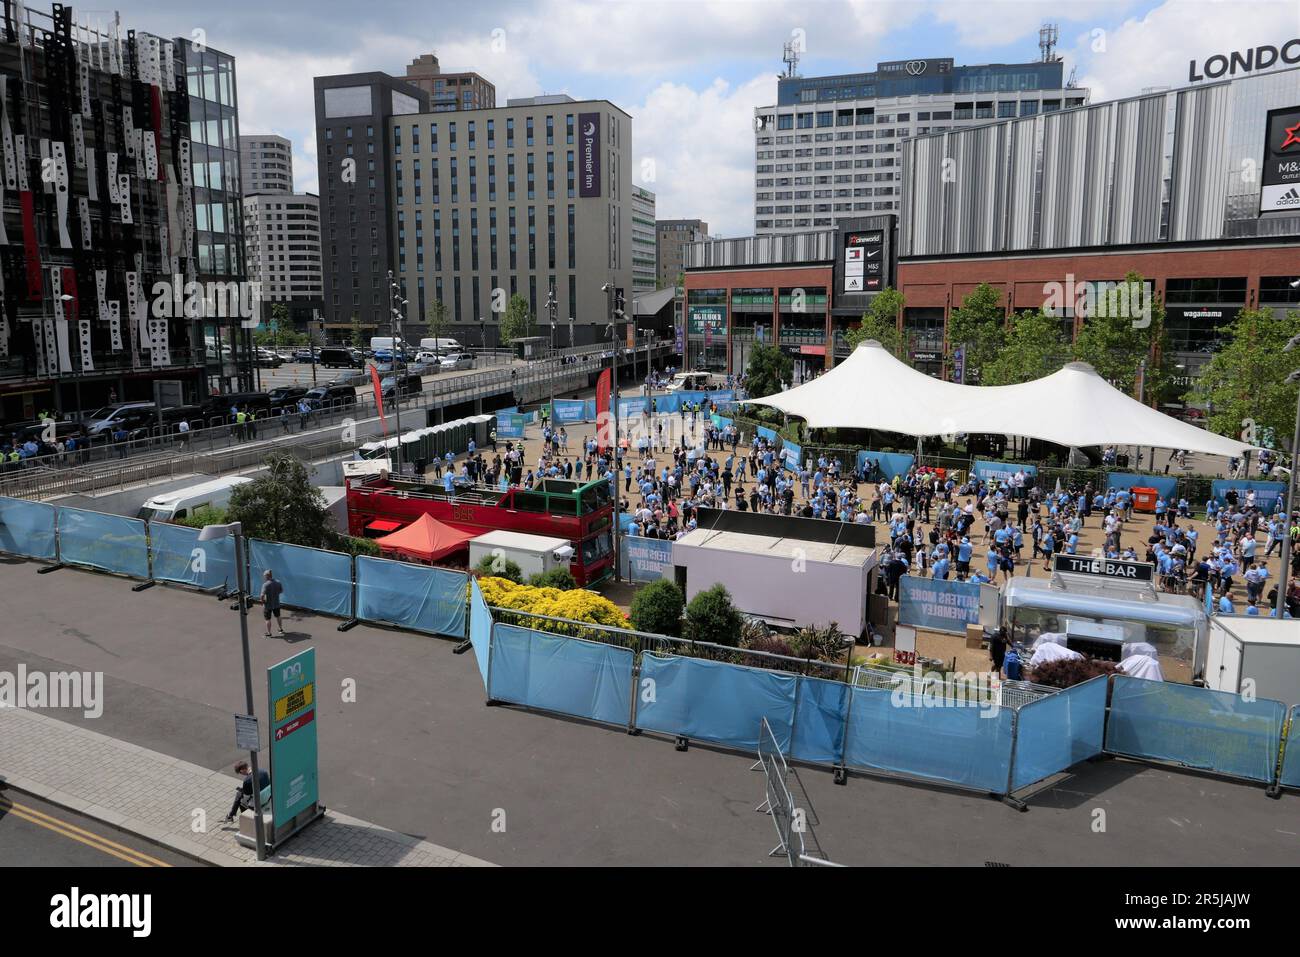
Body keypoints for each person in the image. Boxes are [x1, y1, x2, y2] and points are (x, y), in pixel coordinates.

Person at [260, 569, 285, 637]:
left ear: (267, 576)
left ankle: (269, 632)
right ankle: (280, 629)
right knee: (278, 616)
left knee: (267, 619)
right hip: (276, 603)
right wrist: (276, 594)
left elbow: (262, 595)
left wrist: (262, 602)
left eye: (264, 576)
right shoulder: (278, 582)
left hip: (268, 605)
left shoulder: (265, 585)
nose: (264, 577)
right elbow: (281, 591)